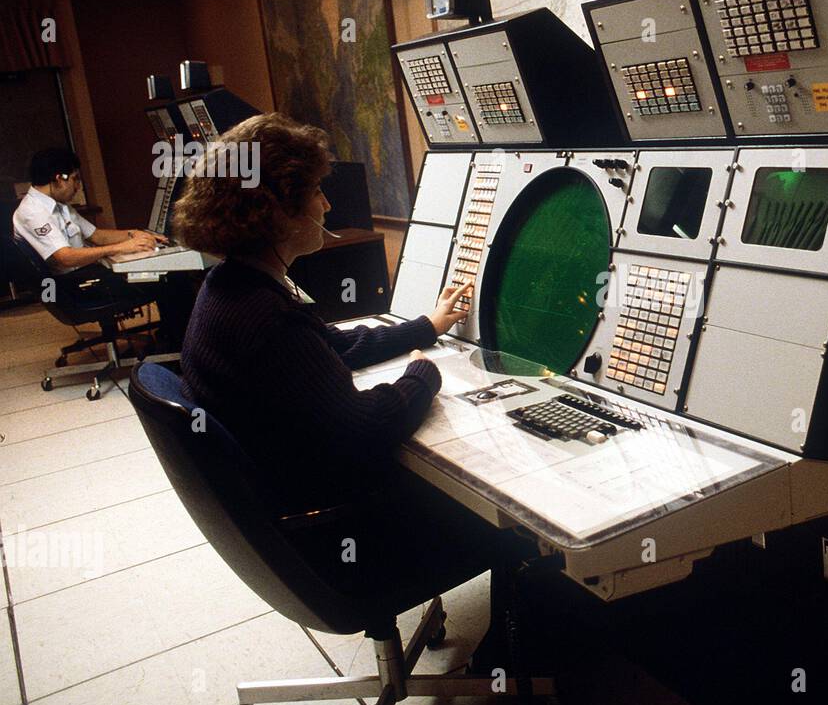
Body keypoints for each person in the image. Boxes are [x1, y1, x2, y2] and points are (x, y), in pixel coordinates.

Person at [170, 113, 526, 661]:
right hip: (336, 538)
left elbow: (325, 351)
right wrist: (422, 375)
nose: (327, 206)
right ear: (276, 211)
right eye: (315, 192)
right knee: (508, 501)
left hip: (285, 524)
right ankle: (517, 653)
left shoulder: (230, 288)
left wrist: (426, 327)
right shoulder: (265, 317)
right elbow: (365, 427)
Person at [13, 148, 194, 349]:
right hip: (73, 288)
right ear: (59, 178)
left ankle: (173, 339)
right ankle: (181, 347)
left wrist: (134, 234)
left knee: (166, 275)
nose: (77, 186)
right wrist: (120, 248)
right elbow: (64, 257)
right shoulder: (34, 213)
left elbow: (96, 235)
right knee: (169, 279)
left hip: (83, 276)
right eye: (75, 179)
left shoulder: (59, 205)